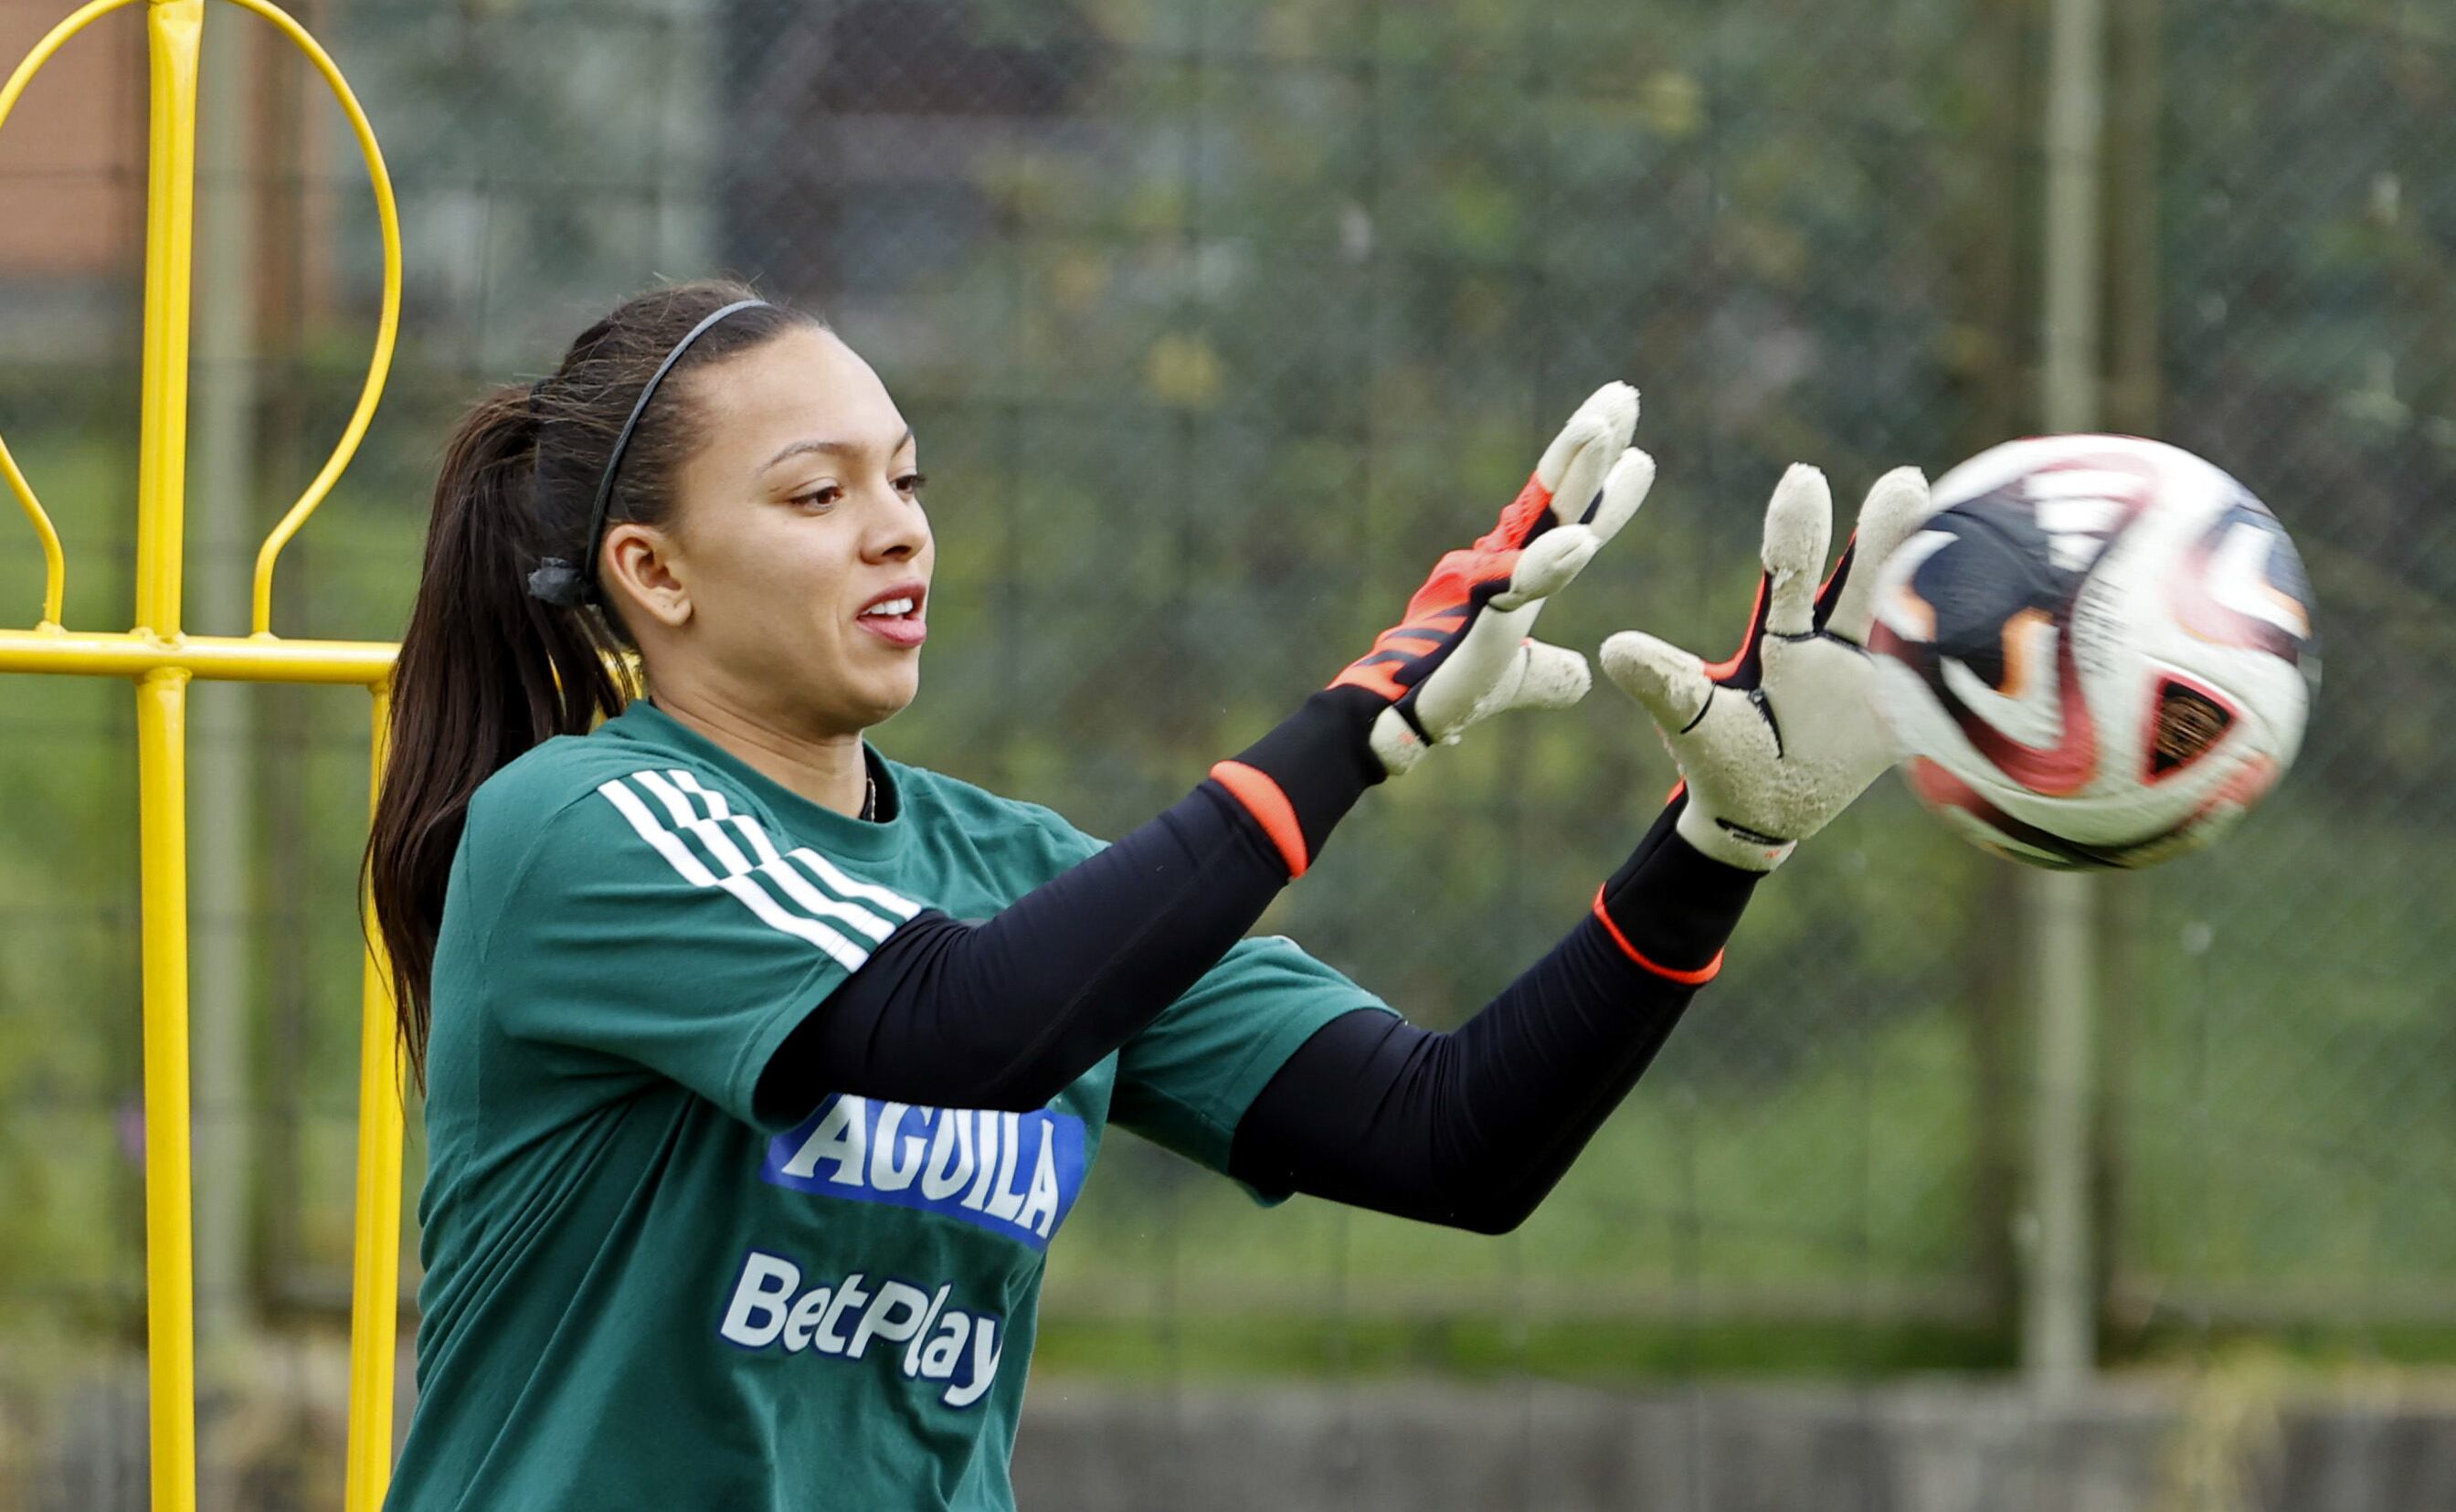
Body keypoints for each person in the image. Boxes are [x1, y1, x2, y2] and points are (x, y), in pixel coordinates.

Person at [367, 279, 1927, 1511]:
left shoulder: (1013, 875)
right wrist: (1354, 727)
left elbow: (1457, 1138)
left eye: (905, 479)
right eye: (814, 496)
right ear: (653, 573)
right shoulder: (582, 828)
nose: (899, 526)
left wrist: (1714, 852)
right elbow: (957, 1035)